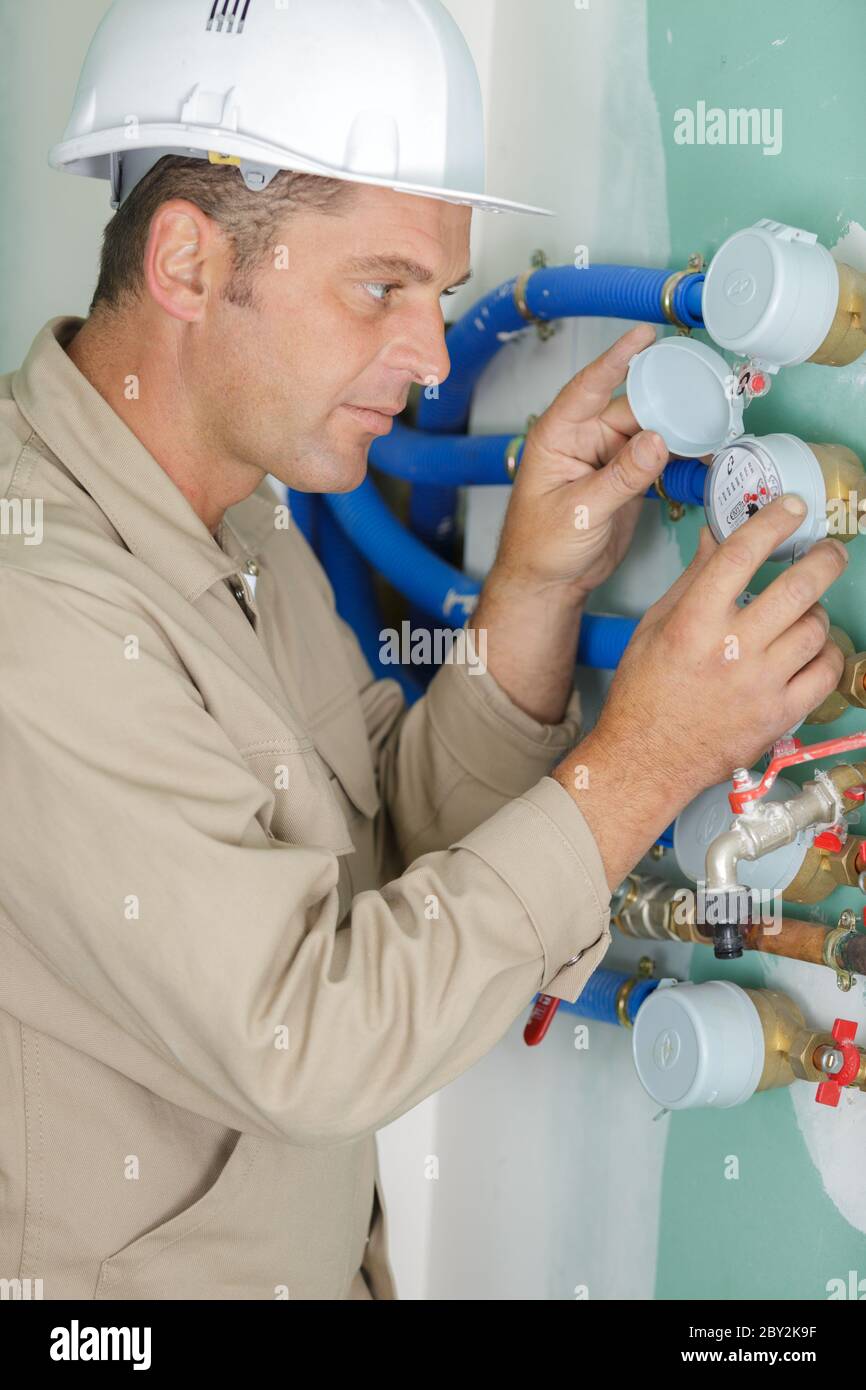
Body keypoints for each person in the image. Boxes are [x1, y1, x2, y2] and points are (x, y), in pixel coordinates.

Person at [0, 0, 846, 1300]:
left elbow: (395, 847)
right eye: (380, 289)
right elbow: (312, 1036)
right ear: (186, 267)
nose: (432, 351)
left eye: (439, 295)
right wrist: (644, 759)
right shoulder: (35, 604)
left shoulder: (233, 519)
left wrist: (532, 590)